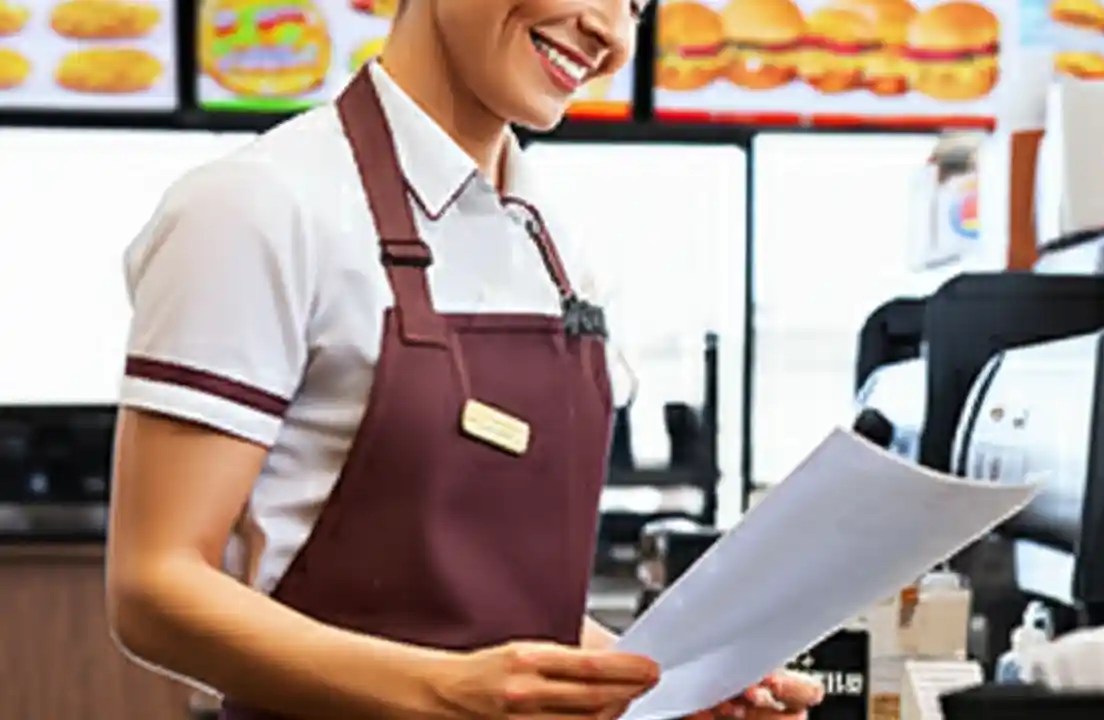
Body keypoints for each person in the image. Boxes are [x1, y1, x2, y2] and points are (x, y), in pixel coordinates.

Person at [106, 1, 824, 718]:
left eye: (636, 2)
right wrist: (445, 694)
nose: (611, 32)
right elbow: (153, 590)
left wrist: (662, 689)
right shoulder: (256, 207)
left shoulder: (551, 245)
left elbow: (497, 607)